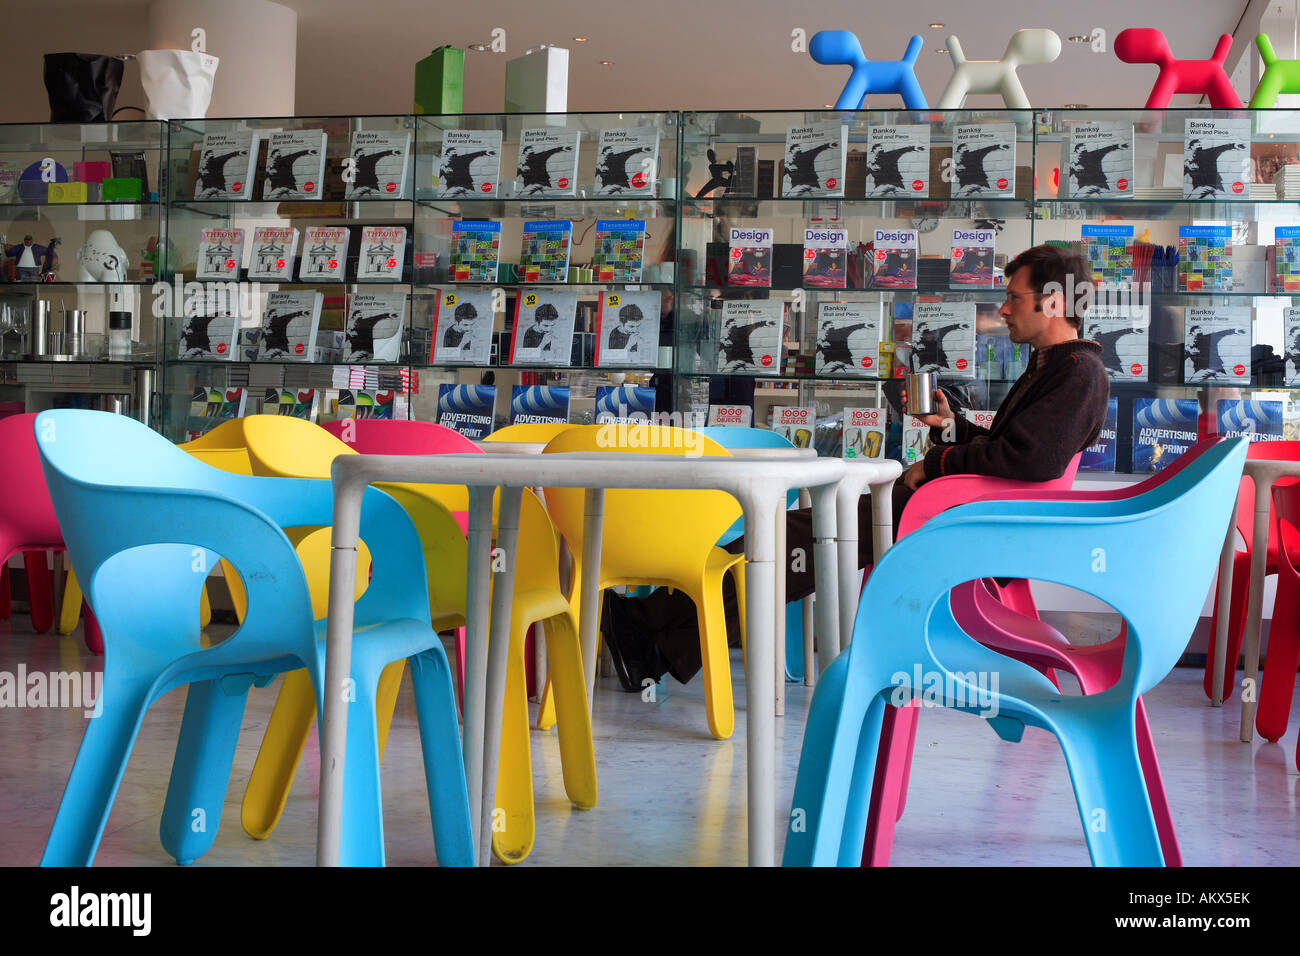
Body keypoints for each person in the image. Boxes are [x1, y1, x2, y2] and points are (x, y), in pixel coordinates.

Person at [602, 244, 1111, 689]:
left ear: (1054, 302)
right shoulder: (1057, 367)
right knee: (796, 541)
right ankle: (655, 640)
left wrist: (935, 464)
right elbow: (1013, 448)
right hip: (955, 512)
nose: (1002, 310)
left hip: (962, 520)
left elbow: (1030, 460)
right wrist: (948, 426)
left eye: (1014, 298)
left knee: (791, 542)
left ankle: (650, 631)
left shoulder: (1077, 372)